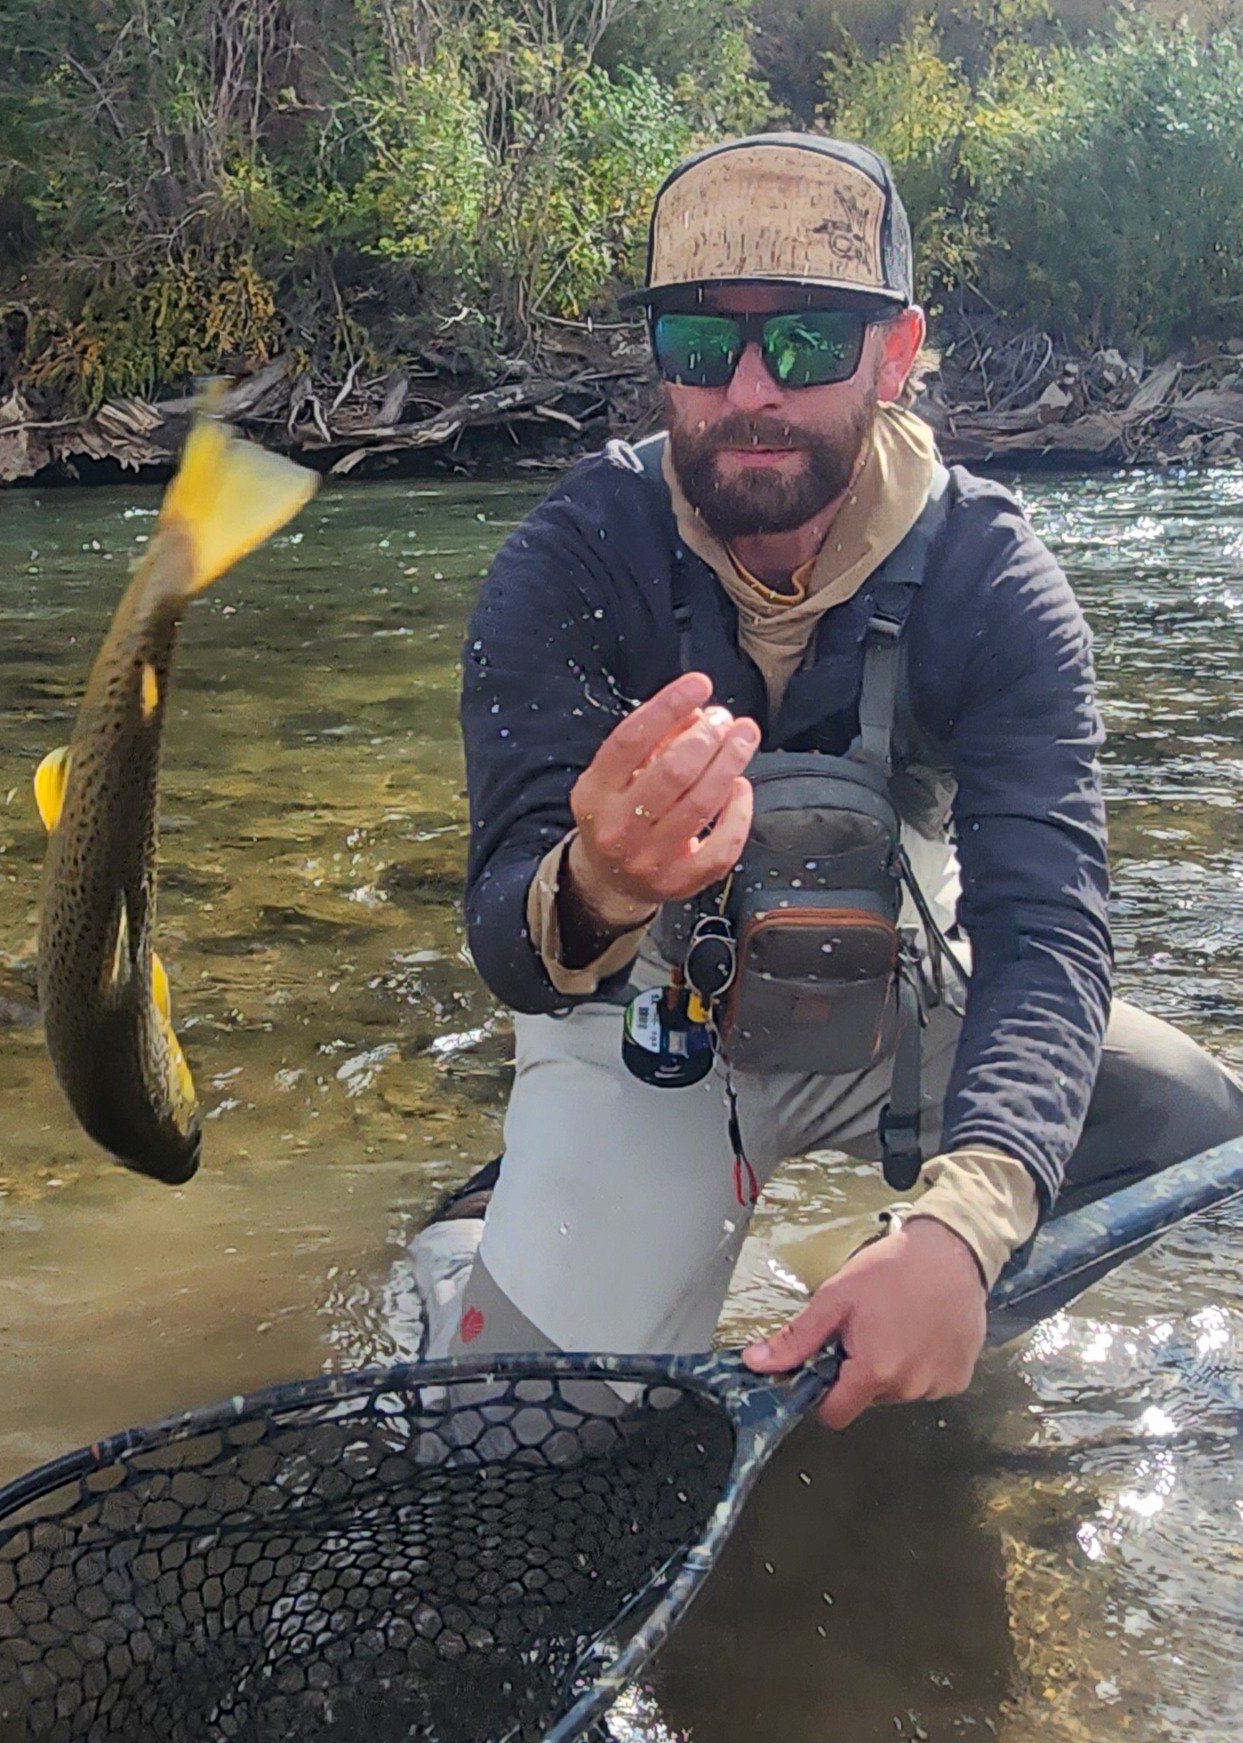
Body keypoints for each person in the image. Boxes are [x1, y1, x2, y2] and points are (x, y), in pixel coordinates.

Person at [408, 132, 1243, 1429]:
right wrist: (596, 885)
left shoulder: (993, 579)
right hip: (649, 1029)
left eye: (804, 343)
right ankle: (480, 1239)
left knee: (1191, 1121)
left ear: (896, 355)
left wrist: (966, 1226)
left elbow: (1047, 937)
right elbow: (507, 941)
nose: (751, 390)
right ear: (663, 365)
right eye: (701, 345)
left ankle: (892, 1316)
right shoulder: (571, 556)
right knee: (507, 1453)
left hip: (898, 1001)